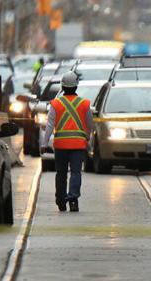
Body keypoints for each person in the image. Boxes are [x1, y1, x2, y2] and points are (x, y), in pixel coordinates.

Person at [41, 71, 94, 212]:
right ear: (76, 86)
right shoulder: (84, 104)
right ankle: (73, 200)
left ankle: (61, 201)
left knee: (61, 174)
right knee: (76, 173)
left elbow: (49, 125)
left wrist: (44, 144)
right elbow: (90, 125)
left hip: (61, 146)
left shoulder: (56, 103)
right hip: (78, 145)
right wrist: (87, 138)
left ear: (62, 87)